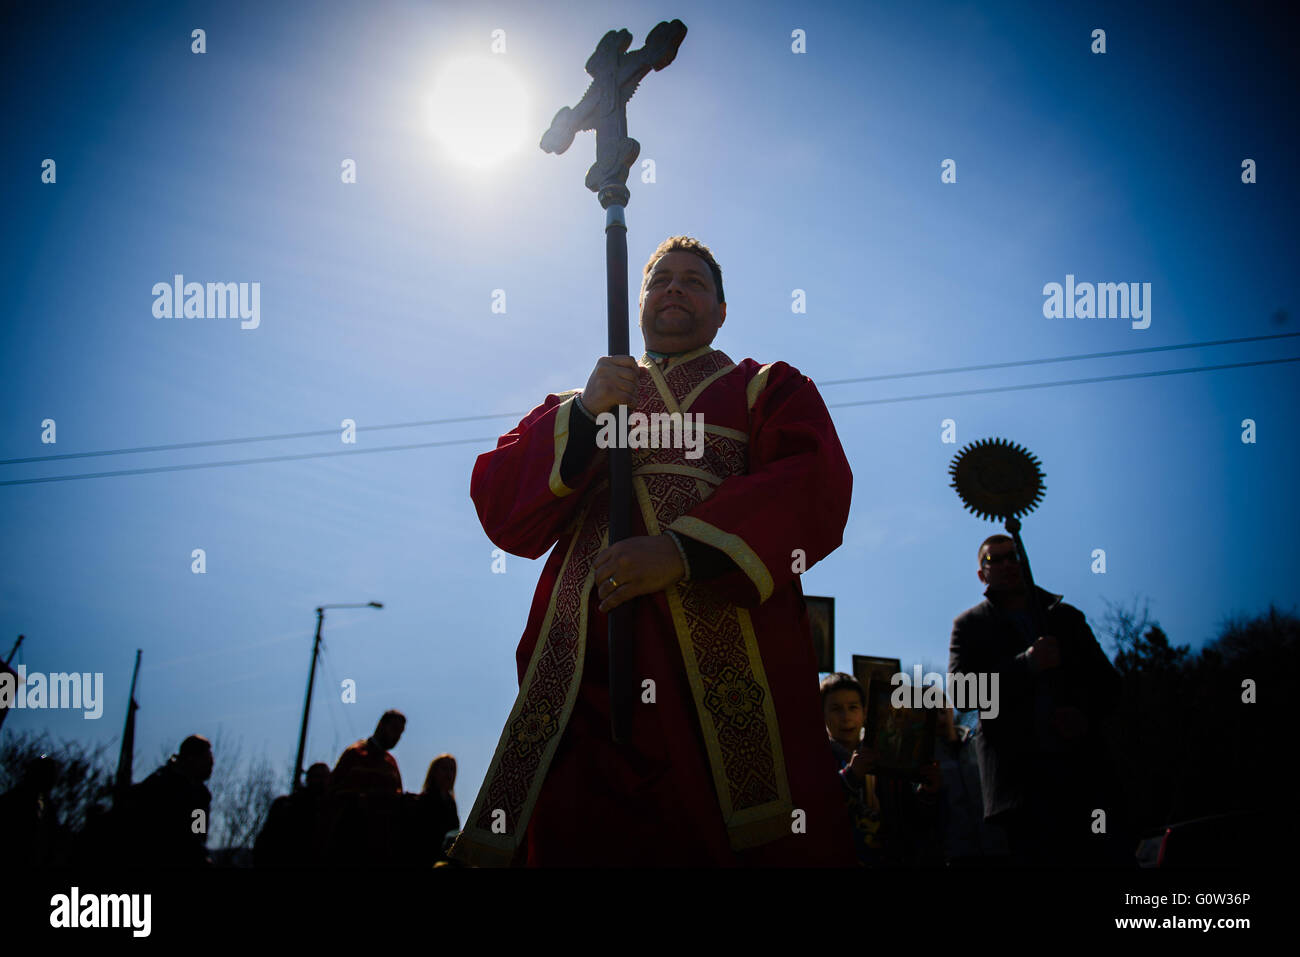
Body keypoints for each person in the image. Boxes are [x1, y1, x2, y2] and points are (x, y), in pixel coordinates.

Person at [451, 236, 856, 867]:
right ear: (638, 303)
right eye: (660, 279)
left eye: (694, 281)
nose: (674, 288)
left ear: (721, 311)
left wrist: (681, 550)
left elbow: (815, 482)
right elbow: (501, 505)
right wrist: (585, 415)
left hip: (727, 644)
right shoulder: (585, 399)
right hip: (584, 660)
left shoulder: (764, 388)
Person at [948, 534, 1126, 866]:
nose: (1005, 564)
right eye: (994, 560)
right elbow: (963, 693)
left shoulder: (1065, 618)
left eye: (1012, 556)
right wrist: (1025, 664)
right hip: (1023, 789)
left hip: (1085, 776)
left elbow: (1110, 686)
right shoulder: (971, 626)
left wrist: (1084, 715)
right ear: (981, 574)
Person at [822, 672, 942, 866]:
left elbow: (913, 820)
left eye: (853, 707)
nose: (846, 717)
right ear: (822, 715)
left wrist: (928, 792)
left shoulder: (886, 756)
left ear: (865, 712)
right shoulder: (817, 759)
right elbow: (816, 811)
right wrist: (851, 777)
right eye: (836, 709)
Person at [122, 734, 213, 867]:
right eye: (206, 762)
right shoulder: (161, 786)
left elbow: (197, 835)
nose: (210, 768)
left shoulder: (200, 795)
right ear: (191, 758)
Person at [331, 710, 405, 795]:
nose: (397, 736)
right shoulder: (355, 753)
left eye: (400, 732)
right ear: (381, 725)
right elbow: (334, 789)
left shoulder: (391, 763)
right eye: (394, 729)